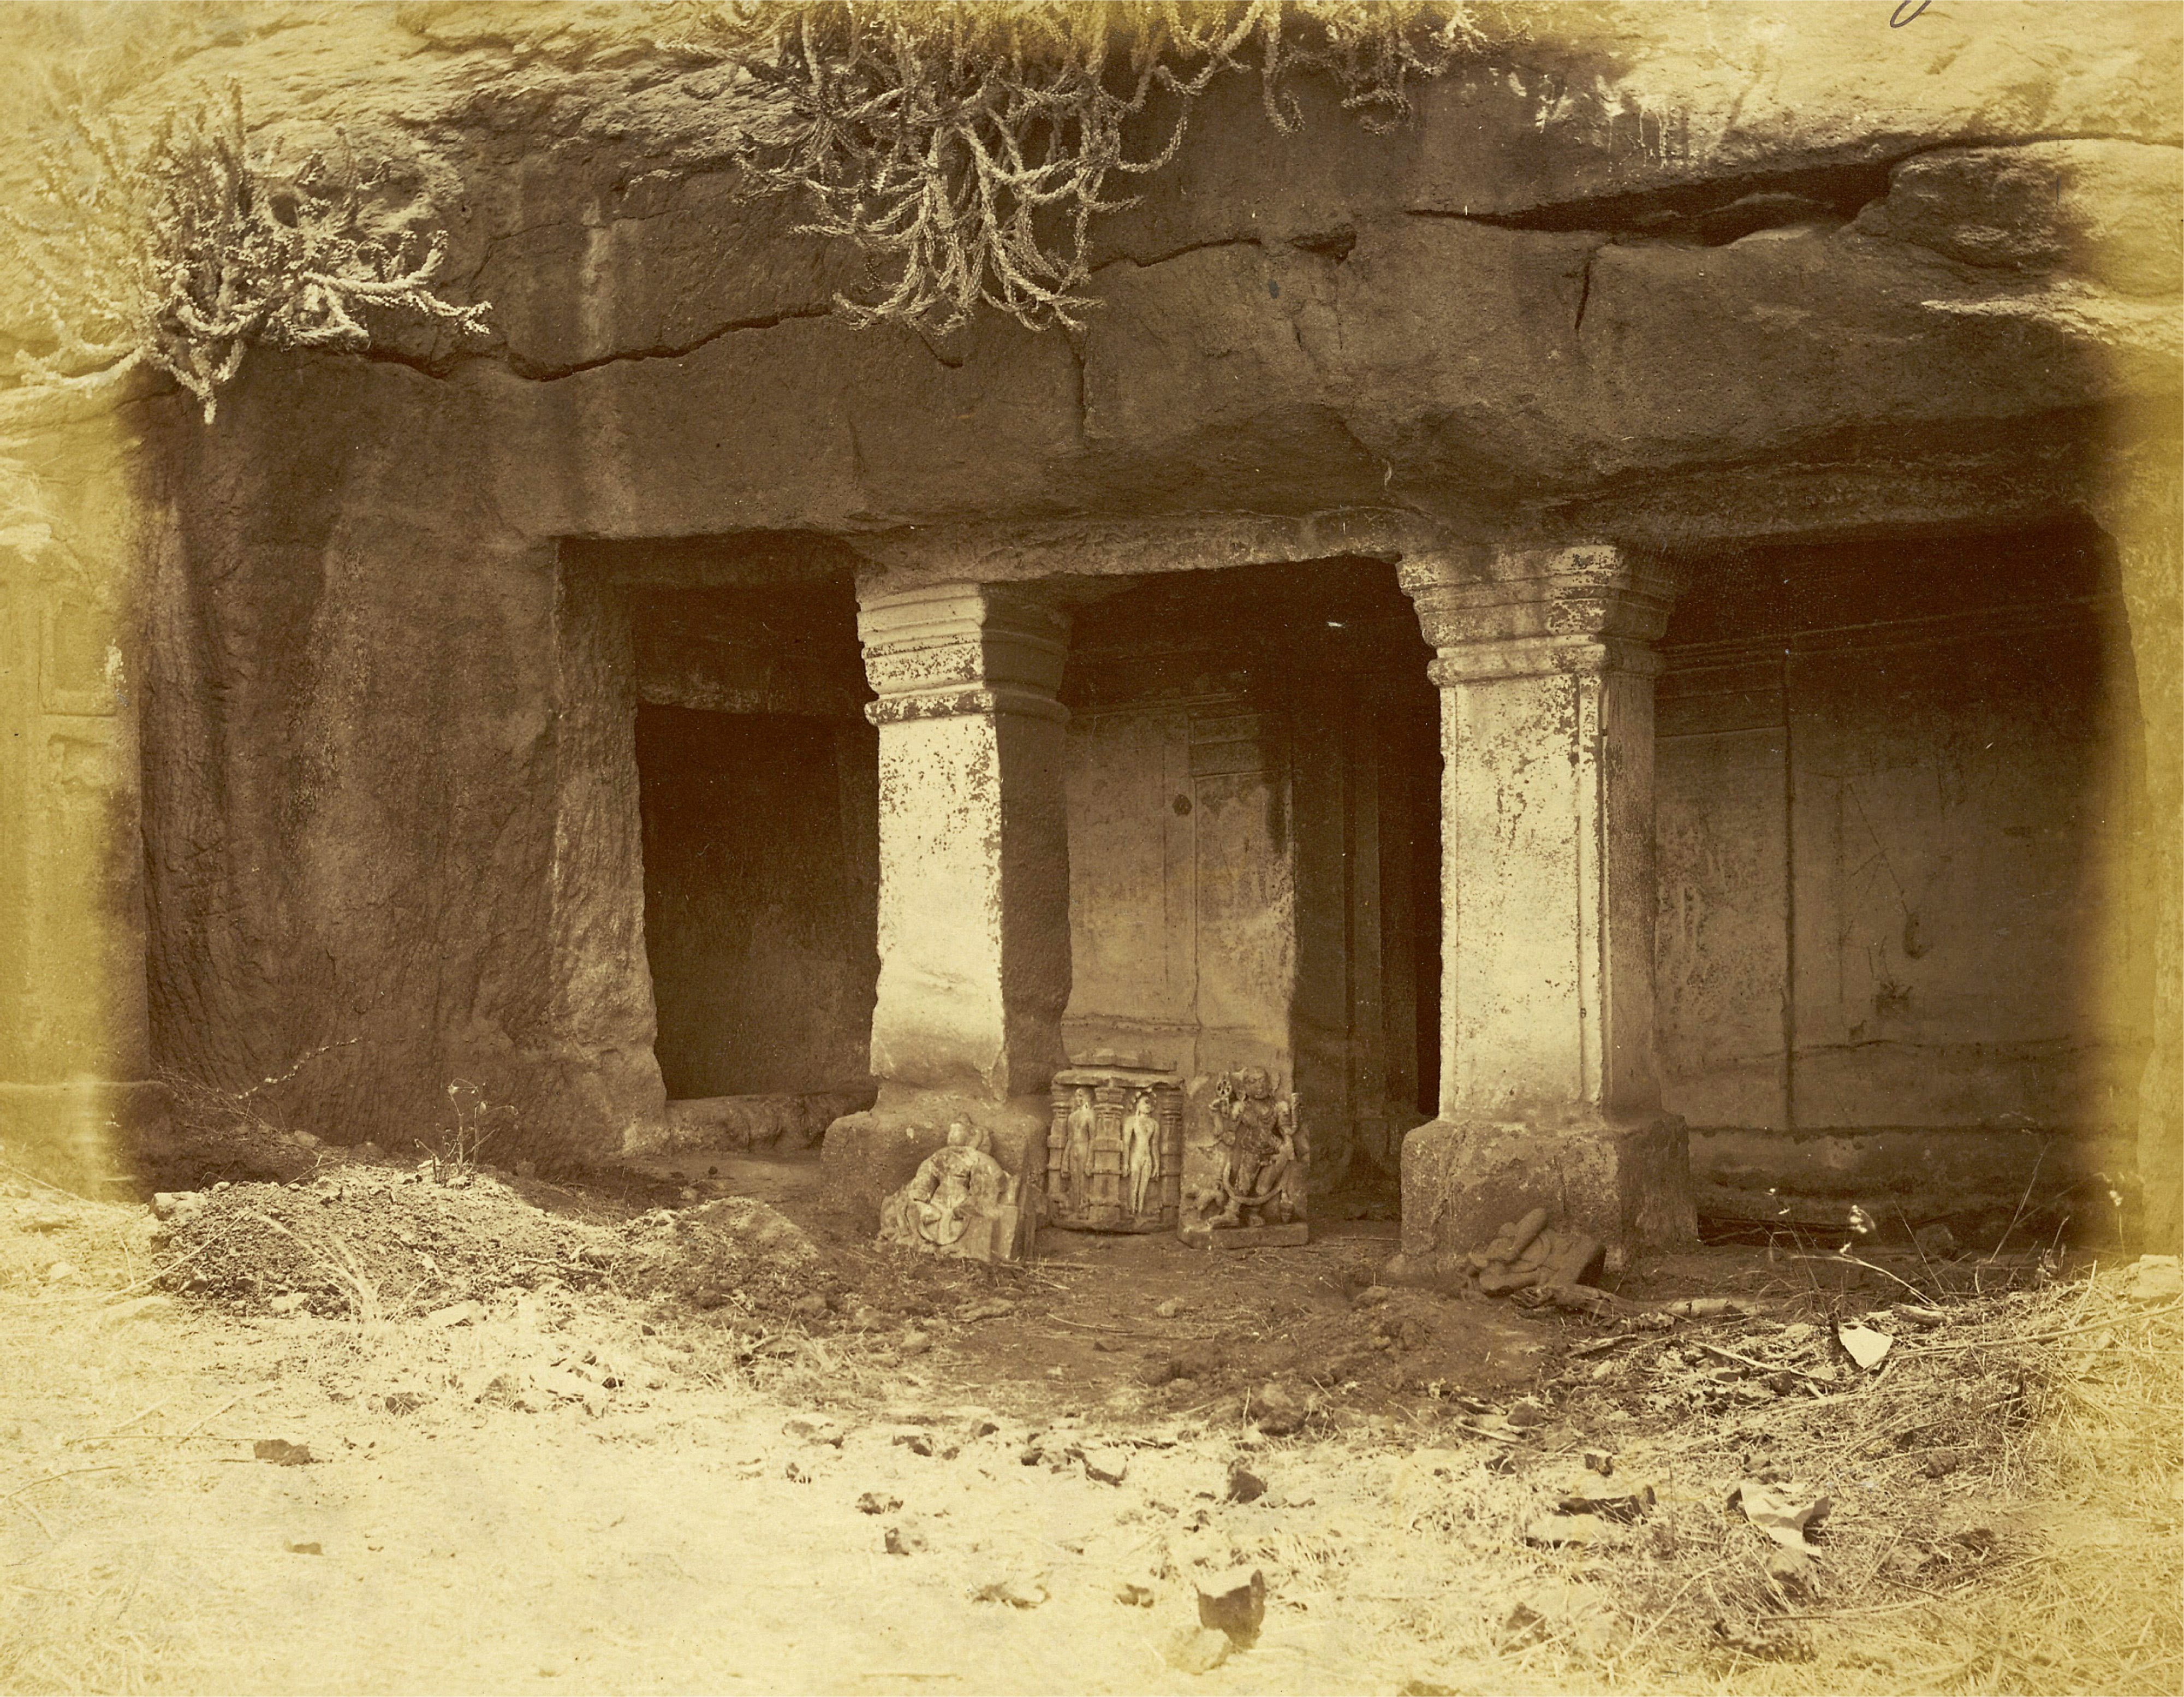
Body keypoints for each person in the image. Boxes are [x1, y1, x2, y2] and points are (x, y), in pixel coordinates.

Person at [1122, 1090, 1161, 1218]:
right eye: (1145, 1102)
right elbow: (1126, 1144)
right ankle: (1131, 1210)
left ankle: (1140, 1212)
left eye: (1150, 1103)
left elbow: (1154, 1146)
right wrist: (1125, 1163)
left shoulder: (1154, 1124)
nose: (1148, 1106)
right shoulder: (1132, 1121)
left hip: (1147, 1157)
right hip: (1135, 1156)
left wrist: (1157, 1165)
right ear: (1137, 1105)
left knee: (1144, 1187)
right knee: (1134, 1184)